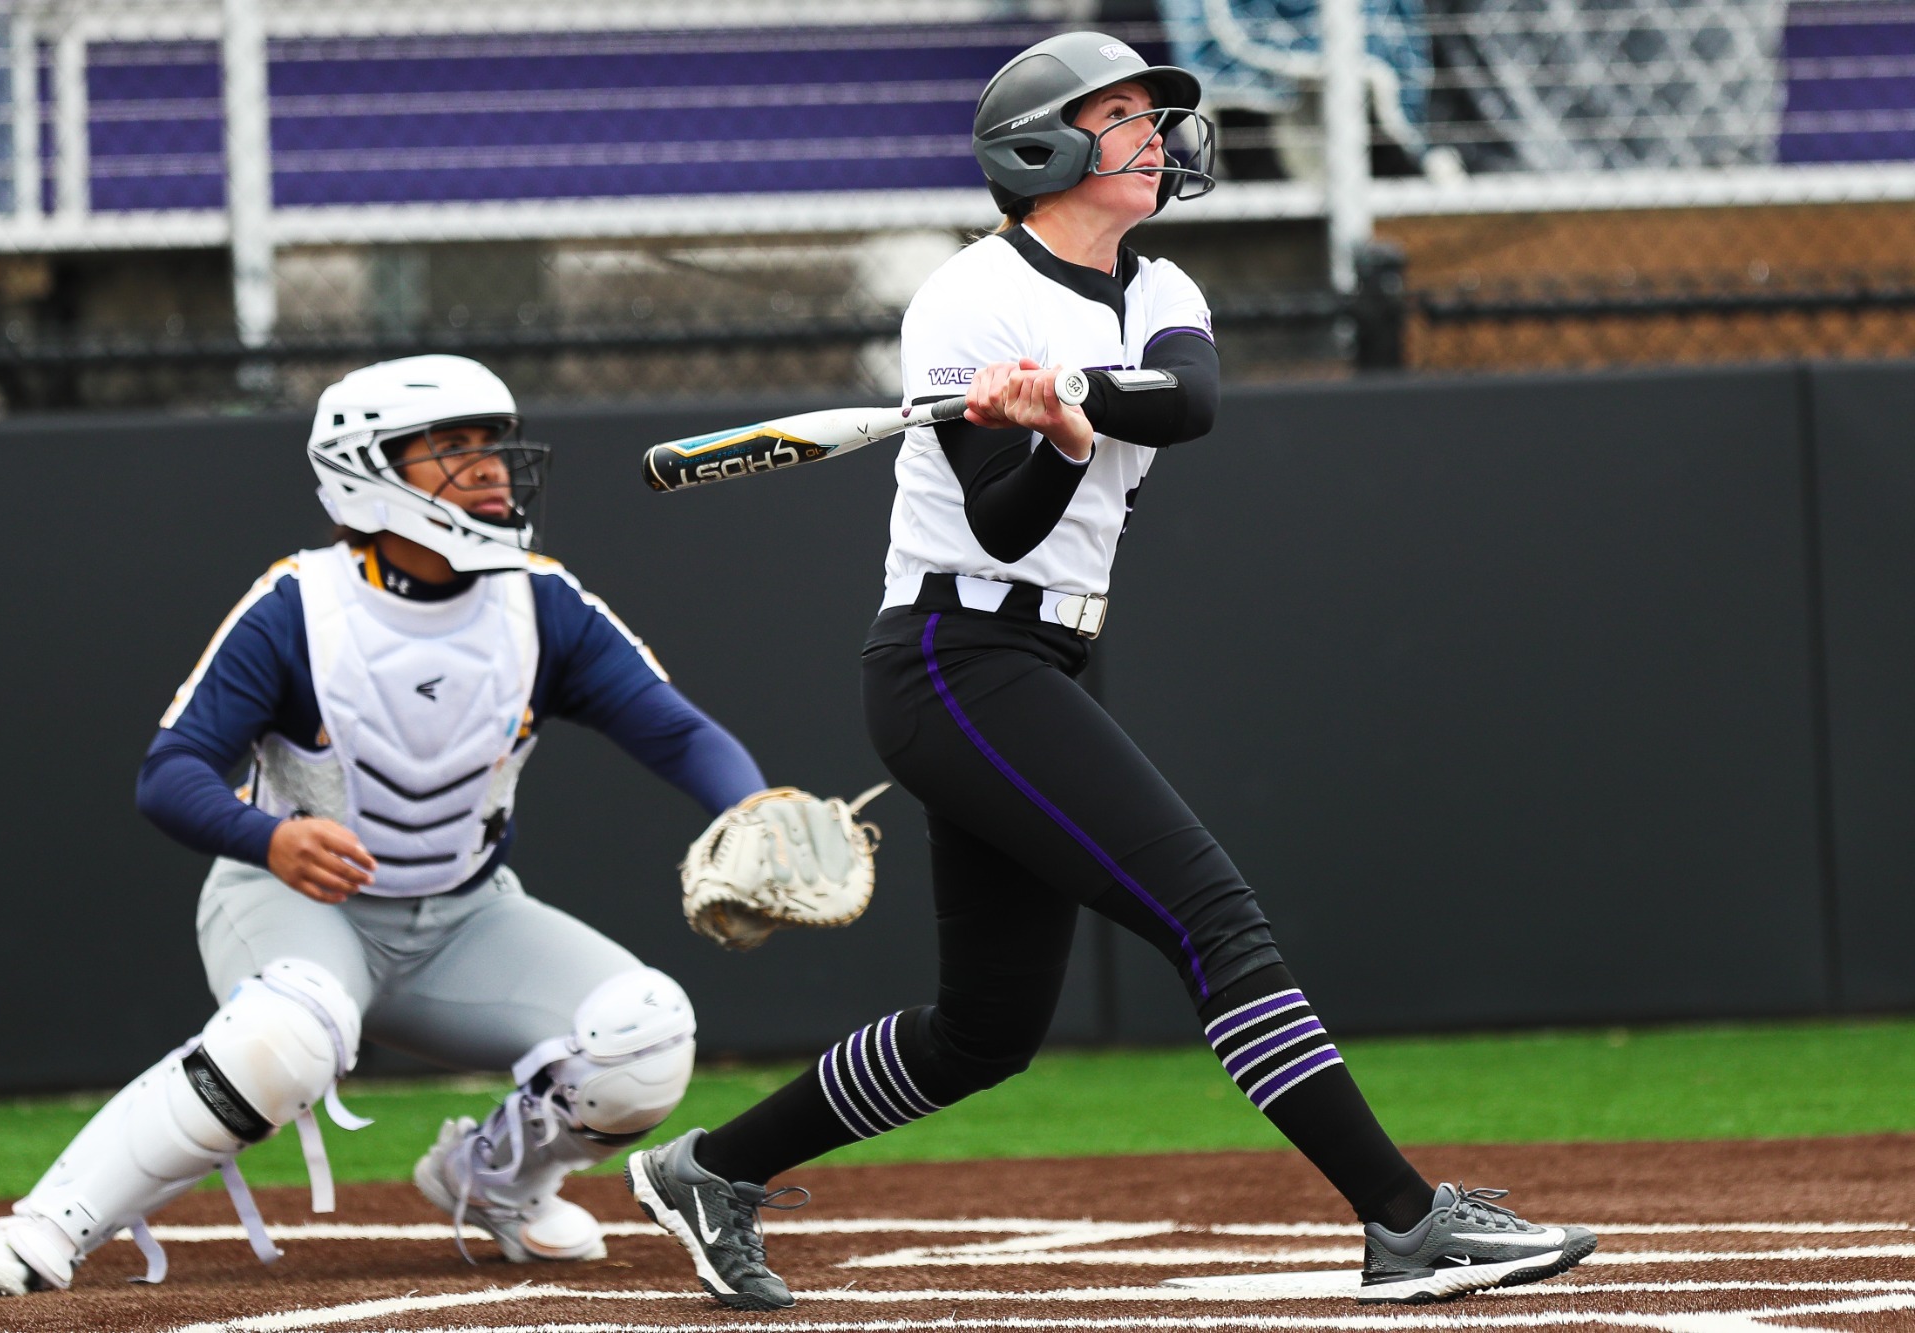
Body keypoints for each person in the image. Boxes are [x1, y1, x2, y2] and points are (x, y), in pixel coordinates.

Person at [623, 32, 1597, 1311]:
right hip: (953, 657)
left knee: (982, 1029)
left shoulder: (1160, 285)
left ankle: (711, 1170)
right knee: (1213, 918)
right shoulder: (964, 298)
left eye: (1152, 115)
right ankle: (1404, 1221)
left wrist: (1069, 400)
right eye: (1122, 116)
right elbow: (1001, 523)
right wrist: (1051, 442)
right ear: (1039, 149)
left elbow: (1186, 400)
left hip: (1045, 656)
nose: (1154, 136)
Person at [0, 354, 853, 1296]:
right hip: (291, 905)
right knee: (285, 1034)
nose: (490, 464)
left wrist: (748, 805)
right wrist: (269, 839)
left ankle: (492, 1180)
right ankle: (46, 1224)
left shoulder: (541, 598)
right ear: (365, 470)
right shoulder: (298, 604)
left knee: (646, 1035)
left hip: (464, 917)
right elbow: (169, 774)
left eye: (492, 442)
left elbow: (677, 730)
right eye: (452, 445)